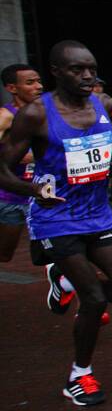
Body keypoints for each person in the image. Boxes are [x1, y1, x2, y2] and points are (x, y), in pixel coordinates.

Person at [0, 42, 112, 405]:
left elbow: (96, 155)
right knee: (95, 299)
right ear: (55, 72)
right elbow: (1, 168)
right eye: (76, 70)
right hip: (56, 218)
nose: (87, 77)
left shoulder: (101, 105)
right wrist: (31, 188)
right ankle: (79, 375)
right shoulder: (36, 114)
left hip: (98, 216)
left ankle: (63, 277)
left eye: (91, 69)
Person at [0, 63, 43, 263]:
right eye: (30, 83)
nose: (38, 86)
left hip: (42, 195)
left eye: (38, 81)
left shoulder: (43, 113)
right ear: (12, 88)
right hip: (12, 198)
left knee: (61, 248)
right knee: (4, 254)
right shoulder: (6, 116)